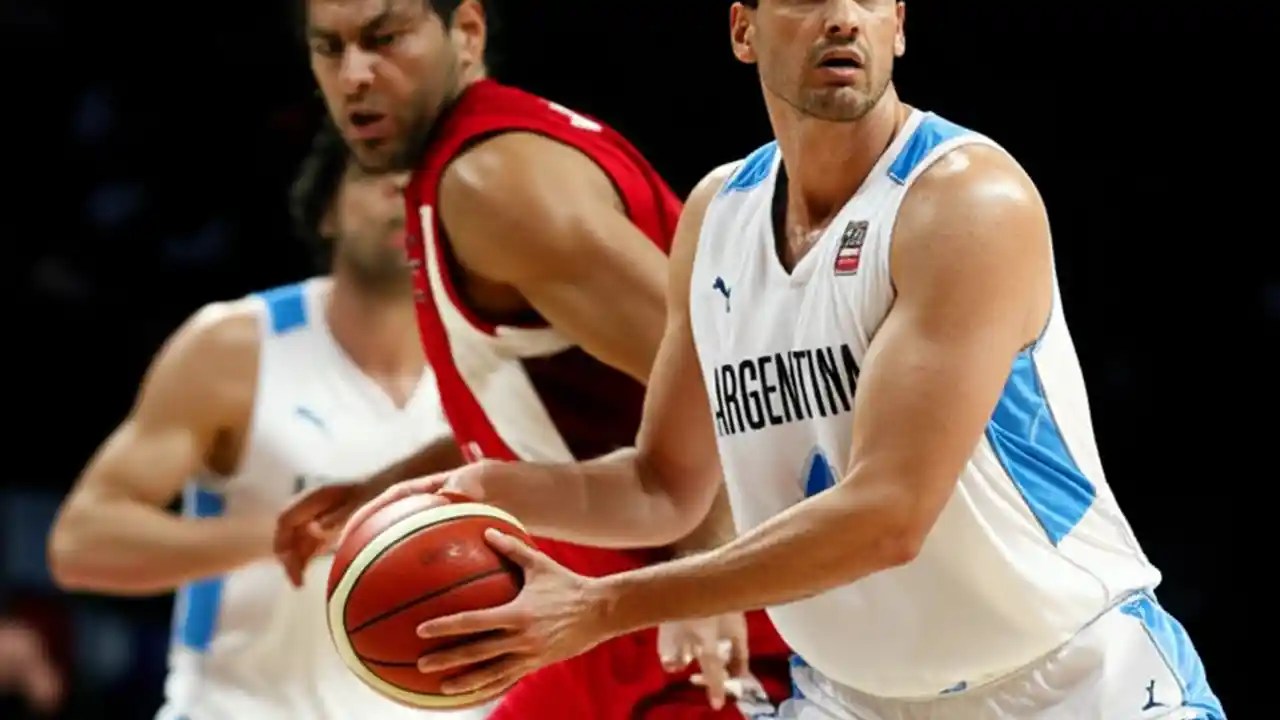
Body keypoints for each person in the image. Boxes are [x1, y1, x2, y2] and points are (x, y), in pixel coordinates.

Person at [339, 1, 1227, 719]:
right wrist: (493, 488)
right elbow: (660, 486)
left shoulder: (963, 200)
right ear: (744, 29)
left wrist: (604, 608)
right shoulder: (718, 215)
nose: (842, 17)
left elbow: (887, 517)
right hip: (854, 700)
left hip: (1072, 684)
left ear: (900, 26)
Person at [275, 0, 792, 717]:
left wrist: (706, 581)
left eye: (384, 38)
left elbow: (721, 366)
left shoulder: (492, 183)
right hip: (599, 619)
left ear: (468, 33)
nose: (355, 74)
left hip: (696, 621)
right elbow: (549, 400)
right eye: (329, 48)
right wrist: (389, 483)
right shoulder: (468, 165)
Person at [46, 123, 478, 720]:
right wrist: (307, 534)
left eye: (427, 181)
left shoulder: (499, 361)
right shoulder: (237, 346)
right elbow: (82, 543)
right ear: (325, 209)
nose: (404, 190)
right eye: (379, 173)